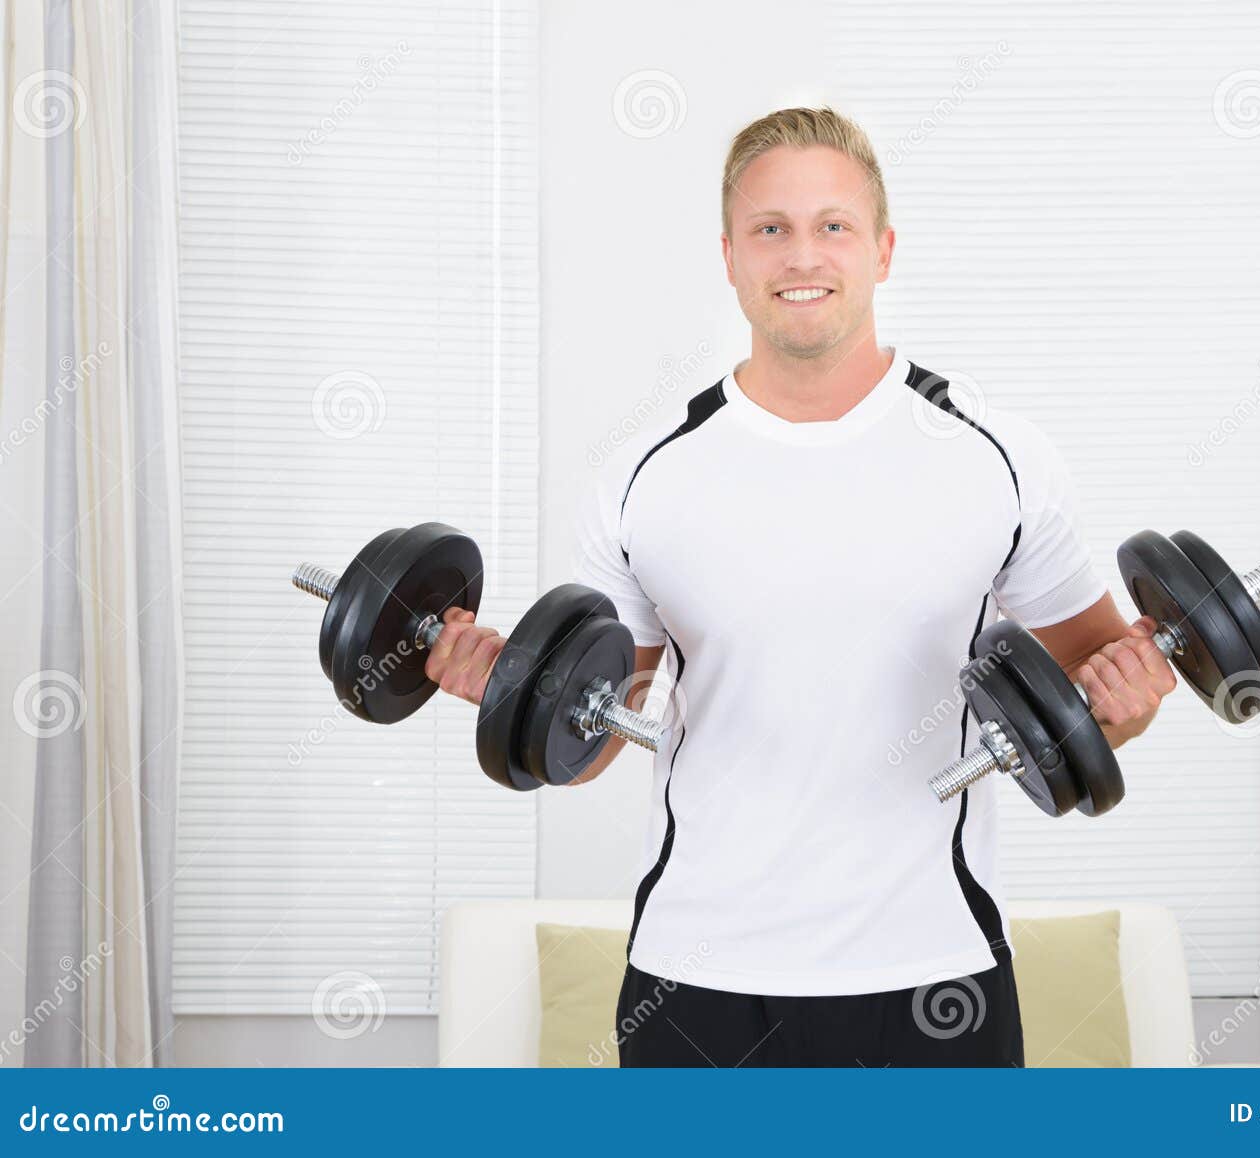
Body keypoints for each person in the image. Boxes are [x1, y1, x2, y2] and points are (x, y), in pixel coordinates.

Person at [424, 107, 1177, 1067]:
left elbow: (1093, 698)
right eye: (770, 229)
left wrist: (1128, 699)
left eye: (833, 225)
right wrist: (504, 685)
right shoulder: (644, 475)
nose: (801, 254)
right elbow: (599, 734)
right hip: (697, 975)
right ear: (731, 256)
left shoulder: (997, 457)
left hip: (934, 970)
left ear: (884, 249)